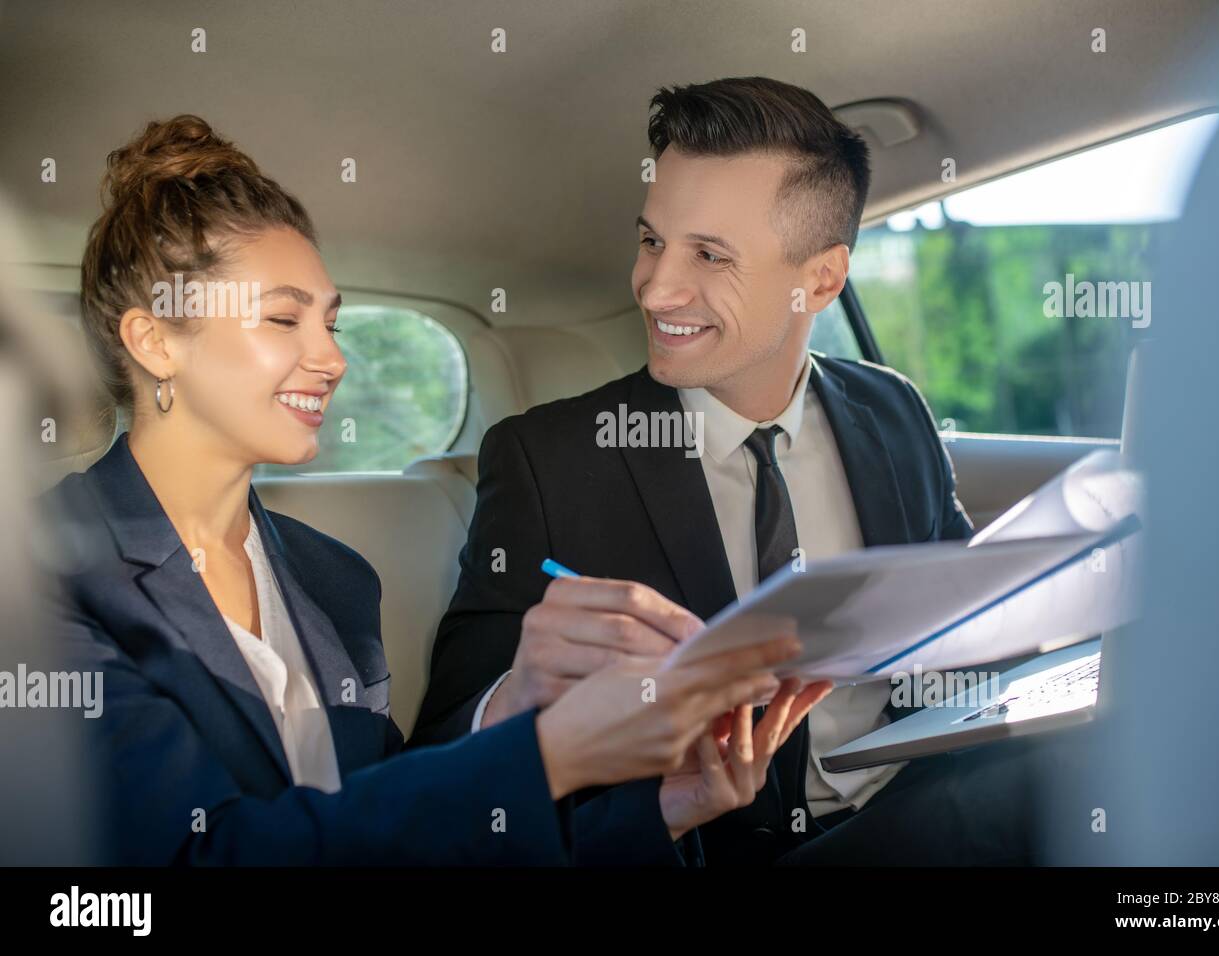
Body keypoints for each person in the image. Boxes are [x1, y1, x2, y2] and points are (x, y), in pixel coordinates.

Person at [42, 113, 803, 866]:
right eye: (284, 320)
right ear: (155, 341)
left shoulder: (334, 580)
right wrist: (548, 754)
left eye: (332, 325)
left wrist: (659, 812)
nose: (332, 359)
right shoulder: (41, 582)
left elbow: (395, 835)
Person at [413, 77, 1040, 865]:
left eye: (709, 254)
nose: (654, 285)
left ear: (821, 279)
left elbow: (959, 625)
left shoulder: (895, 414)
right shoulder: (548, 460)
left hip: (912, 805)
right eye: (651, 241)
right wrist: (517, 697)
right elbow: (438, 754)